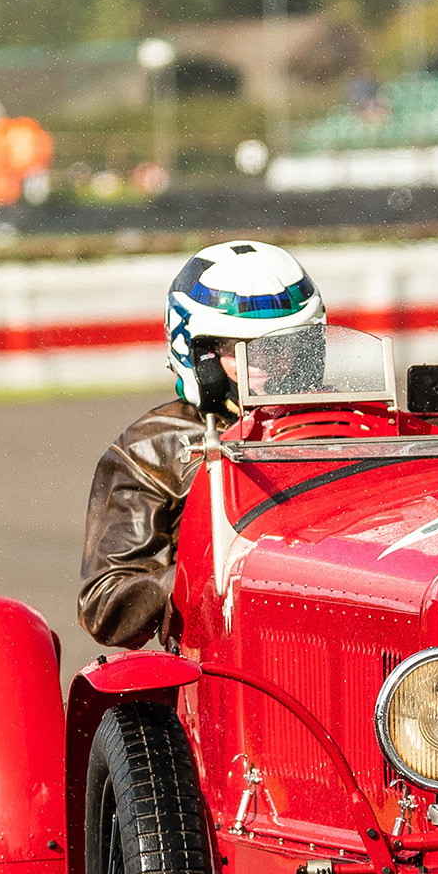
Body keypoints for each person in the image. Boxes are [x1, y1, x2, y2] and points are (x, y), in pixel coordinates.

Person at [78, 240, 324, 647]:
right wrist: (208, 571)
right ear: (199, 354)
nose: (266, 363)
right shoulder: (150, 447)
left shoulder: (359, 423)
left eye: (283, 346)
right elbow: (104, 605)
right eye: (241, 349)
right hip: (218, 654)